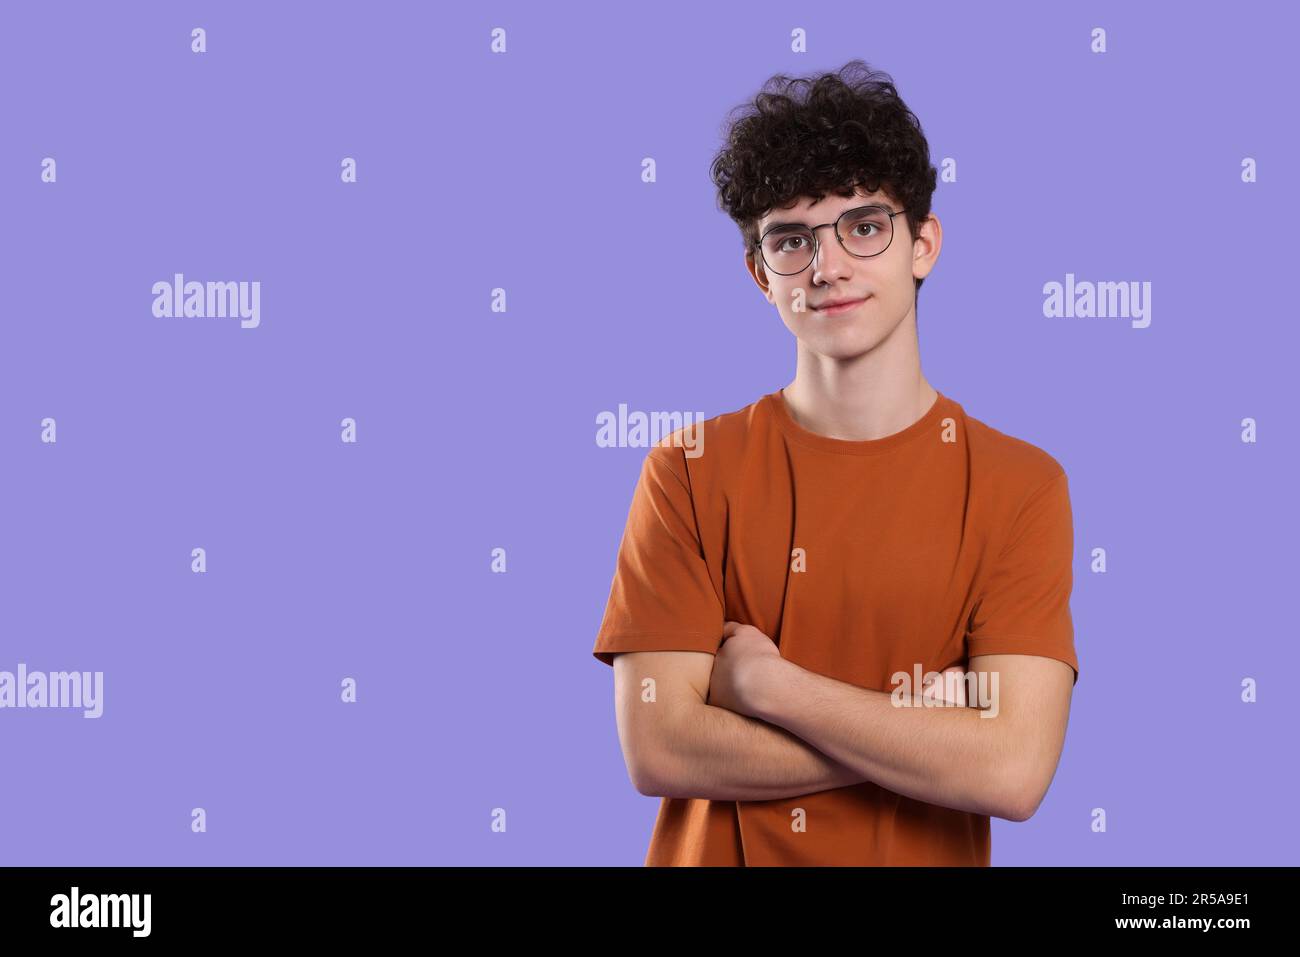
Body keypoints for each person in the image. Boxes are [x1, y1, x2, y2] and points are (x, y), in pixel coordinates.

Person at [592, 60, 1079, 866]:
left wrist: (771, 691)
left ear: (922, 243)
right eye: (792, 240)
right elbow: (659, 747)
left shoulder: (1021, 486)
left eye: (862, 226)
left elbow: (1015, 770)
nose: (827, 267)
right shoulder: (686, 470)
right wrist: (931, 736)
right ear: (760, 273)